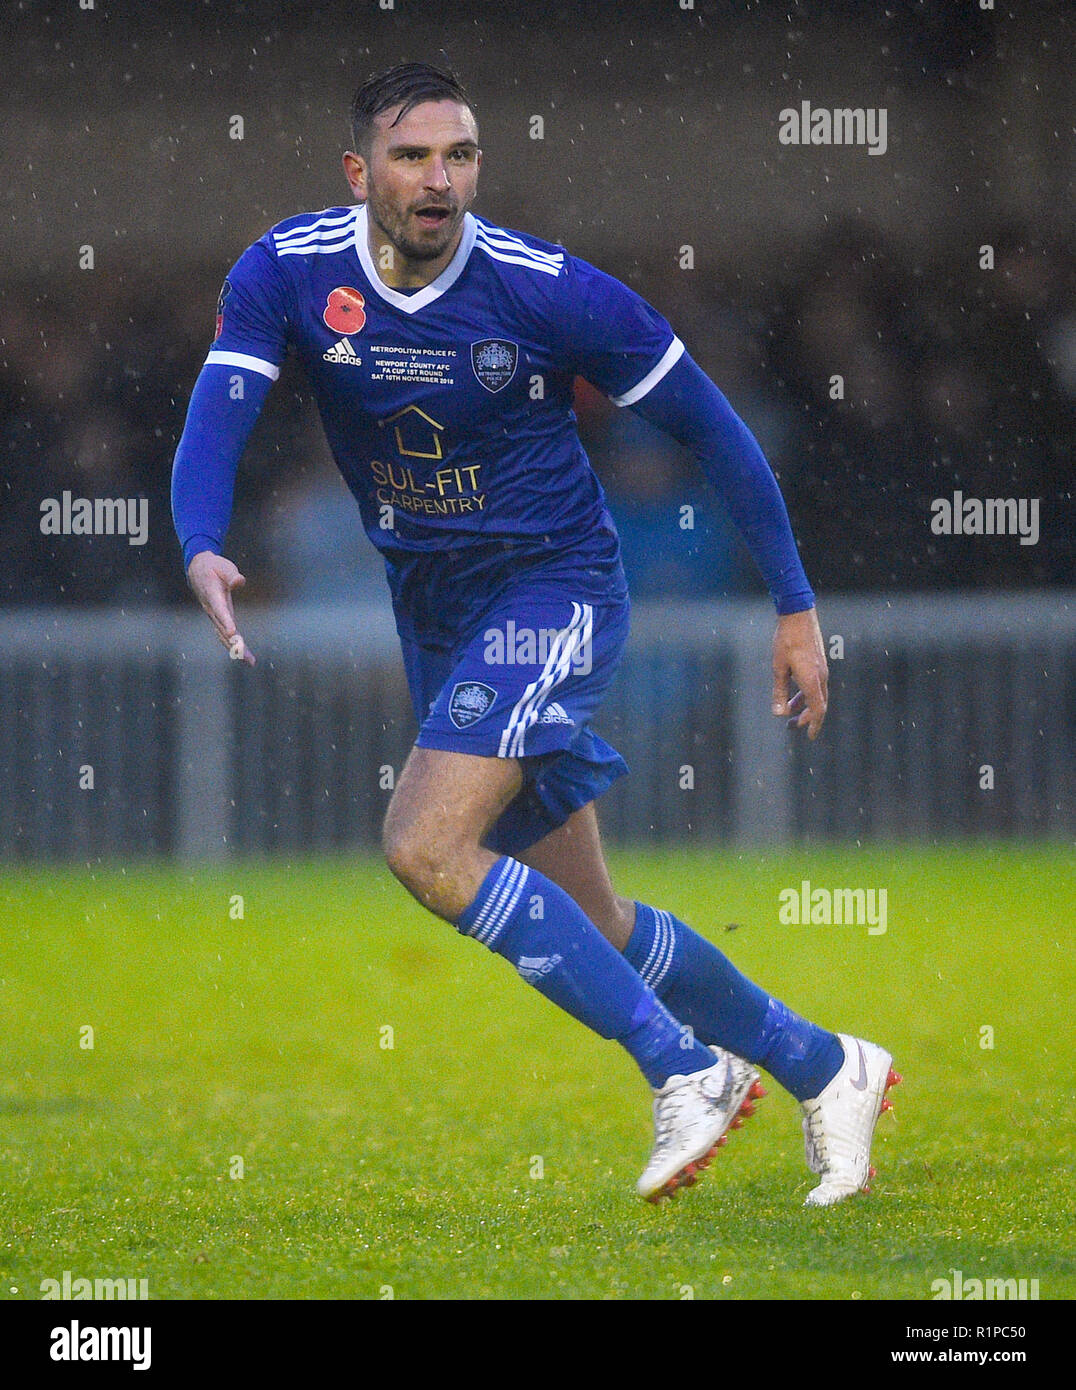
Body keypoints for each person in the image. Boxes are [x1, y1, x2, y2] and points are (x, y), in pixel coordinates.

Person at [171, 61, 898, 1206]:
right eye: (411, 156)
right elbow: (219, 408)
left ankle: (681, 1068)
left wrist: (796, 603)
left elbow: (717, 435)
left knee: (424, 846)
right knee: (594, 917)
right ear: (359, 172)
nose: (438, 179)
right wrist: (200, 539)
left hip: (549, 588)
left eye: (458, 155)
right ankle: (826, 1064)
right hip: (435, 606)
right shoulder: (287, 269)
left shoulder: (550, 293)